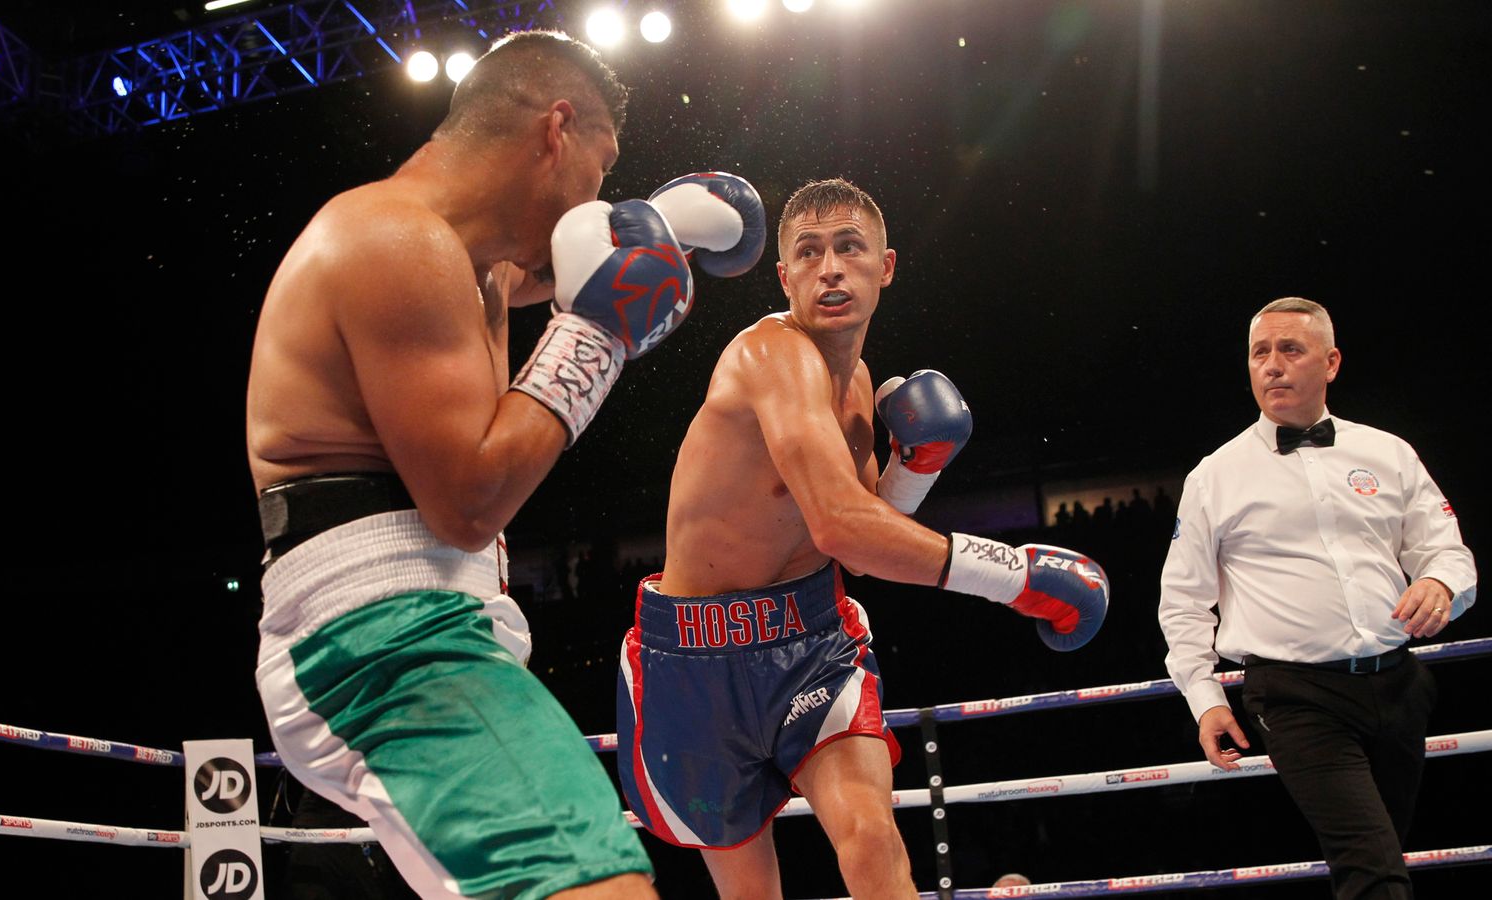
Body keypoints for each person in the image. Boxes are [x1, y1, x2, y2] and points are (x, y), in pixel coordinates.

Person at [246, 30, 765, 898]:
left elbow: (574, 259)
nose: (594, 201)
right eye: (597, 174)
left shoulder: (472, 266)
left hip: (422, 624)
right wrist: (598, 334)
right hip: (386, 638)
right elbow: (469, 501)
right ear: (555, 131)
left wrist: (667, 219)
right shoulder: (393, 241)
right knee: (599, 886)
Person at [615, 179, 1110, 899]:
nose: (831, 268)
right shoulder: (770, 354)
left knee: (874, 839)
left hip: (812, 638)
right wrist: (1016, 574)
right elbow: (840, 523)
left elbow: (858, 540)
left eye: (850, 247)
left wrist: (916, 469)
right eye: (809, 253)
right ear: (785, 278)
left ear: (887, 266)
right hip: (695, 656)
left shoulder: (857, 383)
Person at [1158, 297, 1477, 899]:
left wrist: (1440, 585)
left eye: (1290, 349)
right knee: (1372, 867)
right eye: (1260, 353)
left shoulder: (1389, 453)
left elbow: (1449, 553)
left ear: (1330, 363)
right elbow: (1182, 600)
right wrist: (1204, 699)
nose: (1273, 365)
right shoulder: (1216, 476)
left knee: (1385, 855)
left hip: (1400, 685)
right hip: (1296, 698)